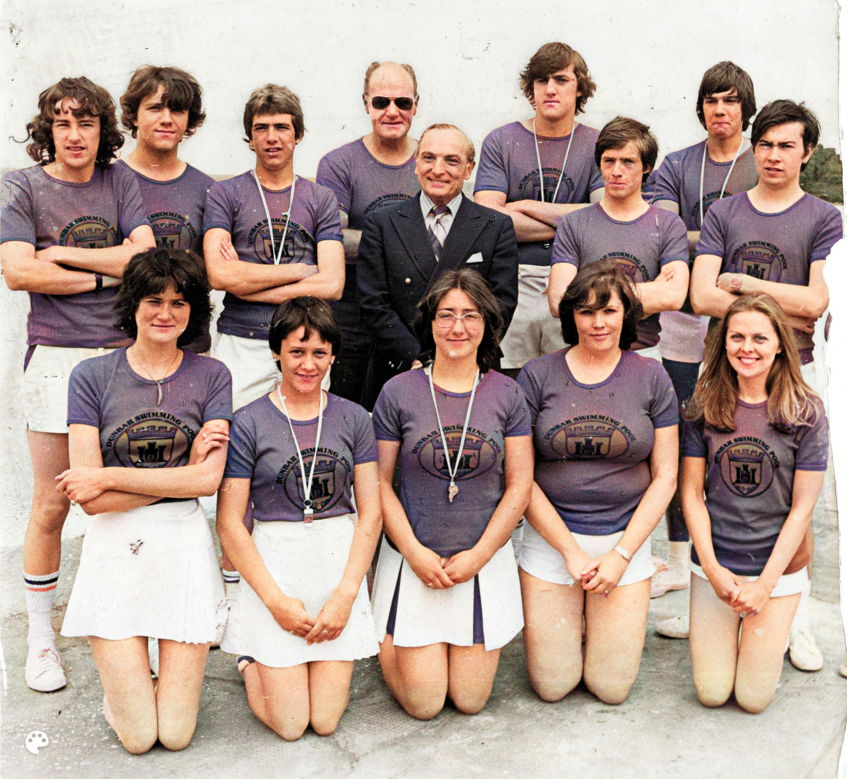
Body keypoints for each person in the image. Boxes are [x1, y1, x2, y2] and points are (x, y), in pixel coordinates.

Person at [1, 77, 155, 692]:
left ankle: (130, 633)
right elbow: (16, 270)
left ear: (102, 129)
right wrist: (103, 270)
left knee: (119, 499)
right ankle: (42, 638)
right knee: (53, 502)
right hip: (56, 357)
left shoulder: (121, 180)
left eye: (85, 122)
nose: (75, 134)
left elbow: (140, 261)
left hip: (120, 356)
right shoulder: (23, 184)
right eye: (63, 123)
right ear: (48, 129)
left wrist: (59, 258)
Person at [56, 246, 232, 752]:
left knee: (174, 736)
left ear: (193, 311)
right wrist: (182, 472)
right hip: (115, 547)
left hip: (183, 545)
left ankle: (154, 690)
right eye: (153, 300)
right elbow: (90, 501)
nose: (165, 313)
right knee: (137, 739)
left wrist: (110, 475)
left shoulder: (212, 375)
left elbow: (207, 483)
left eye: (179, 303)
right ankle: (126, 694)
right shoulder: (90, 377)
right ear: (132, 304)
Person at [690, 99, 842, 670]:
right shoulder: (725, 213)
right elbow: (704, 298)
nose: (774, 155)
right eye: (766, 144)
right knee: (720, 484)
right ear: (754, 150)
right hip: (727, 367)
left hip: (797, 369)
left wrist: (745, 283)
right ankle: (712, 599)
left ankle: (793, 621)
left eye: (787, 145)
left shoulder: (824, 217)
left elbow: (818, 301)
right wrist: (784, 307)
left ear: (806, 153)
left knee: (793, 499)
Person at [370, 268, 532, 719]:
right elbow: (379, 483)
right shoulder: (398, 392)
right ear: (429, 322)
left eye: (470, 315)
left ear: (487, 324)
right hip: (415, 557)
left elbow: (519, 484)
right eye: (446, 315)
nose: (457, 327)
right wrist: (414, 552)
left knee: (469, 700)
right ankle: (386, 634)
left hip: (478, 560)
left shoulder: (508, 394)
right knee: (423, 705)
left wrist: (480, 554)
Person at [217, 297, 381, 740]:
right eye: (296, 351)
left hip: (334, 558)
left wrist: (347, 593)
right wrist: (274, 602)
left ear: (333, 355)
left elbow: (370, 512)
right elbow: (231, 521)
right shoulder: (249, 421)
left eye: (319, 353)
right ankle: (251, 661)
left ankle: (289, 662)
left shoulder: (353, 418)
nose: (308, 365)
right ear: (276, 351)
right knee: (290, 725)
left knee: (324, 721)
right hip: (276, 561)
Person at [516, 261, 678, 704]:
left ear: (627, 314)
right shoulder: (538, 375)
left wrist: (621, 555)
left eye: (609, 310)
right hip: (553, 542)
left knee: (610, 689)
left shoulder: (651, 376)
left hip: (623, 542)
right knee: (553, 686)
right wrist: (569, 552)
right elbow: (521, 476)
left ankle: (599, 619)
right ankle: (575, 620)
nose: (598, 322)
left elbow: (666, 476)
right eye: (586, 312)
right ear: (570, 317)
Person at [681, 294, 827, 712]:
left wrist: (765, 585)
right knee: (711, 693)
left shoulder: (806, 410)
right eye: (737, 337)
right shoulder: (704, 405)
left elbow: (802, 508)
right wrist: (711, 567)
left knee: (752, 699)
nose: (748, 348)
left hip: (775, 569)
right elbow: (692, 493)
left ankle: (776, 630)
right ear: (722, 343)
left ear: (780, 343)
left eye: (760, 338)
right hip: (718, 563)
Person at [648, 61, 758, 604]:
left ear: (746, 109)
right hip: (685, 323)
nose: (721, 110)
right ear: (701, 107)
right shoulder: (675, 165)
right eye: (713, 100)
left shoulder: (759, 164)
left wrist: (707, 252)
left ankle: (743, 552)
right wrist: (715, 245)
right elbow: (667, 234)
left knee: (741, 432)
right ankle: (676, 557)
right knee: (684, 430)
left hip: (741, 317)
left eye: (732, 101)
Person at [203, 83, 344, 412]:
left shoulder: (320, 198)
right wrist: (296, 272)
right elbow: (219, 274)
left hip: (303, 340)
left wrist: (248, 284)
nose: (271, 137)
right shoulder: (226, 193)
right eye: (261, 128)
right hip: (242, 339)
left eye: (282, 127)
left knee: (302, 434)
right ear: (250, 137)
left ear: (297, 135)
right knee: (233, 431)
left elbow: (332, 283)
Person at [357, 123, 518, 407]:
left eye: (451, 160)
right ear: (416, 164)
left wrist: (457, 356)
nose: (438, 169)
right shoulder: (382, 223)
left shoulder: (496, 226)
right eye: (428, 157)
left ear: (469, 169)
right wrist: (417, 358)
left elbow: (502, 302)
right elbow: (372, 304)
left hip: (471, 367)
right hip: (399, 367)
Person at [474, 41, 603, 375]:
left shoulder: (598, 143)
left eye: (561, 80)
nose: (550, 89)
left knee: (566, 382)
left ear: (580, 89)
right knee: (511, 382)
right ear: (530, 88)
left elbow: (603, 216)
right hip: (512, 280)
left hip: (575, 280)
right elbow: (489, 218)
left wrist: (527, 205)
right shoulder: (501, 141)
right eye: (541, 80)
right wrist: (573, 219)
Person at [316, 61, 421, 405]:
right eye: (381, 102)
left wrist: (368, 241)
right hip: (353, 312)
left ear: (416, 105)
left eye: (402, 102)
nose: (392, 111)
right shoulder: (339, 163)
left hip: (414, 313)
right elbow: (333, 240)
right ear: (366, 103)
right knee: (349, 409)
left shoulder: (430, 159)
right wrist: (408, 244)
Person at [547, 116, 689, 357]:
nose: (616, 171)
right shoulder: (575, 223)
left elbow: (674, 296)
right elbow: (559, 301)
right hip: (585, 352)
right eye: (609, 161)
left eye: (628, 162)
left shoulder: (667, 224)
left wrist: (589, 299)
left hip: (644, 352)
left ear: (646, 167)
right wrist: (649, 291)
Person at [118, 65, 215, 353]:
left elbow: (212, 271)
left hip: (188, 346)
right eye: (155, 108)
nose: (166, 119)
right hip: (121, 343)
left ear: (189, 121)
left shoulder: (208, 189)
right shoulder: (109, 182)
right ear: (134, 115)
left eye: (177, 110)